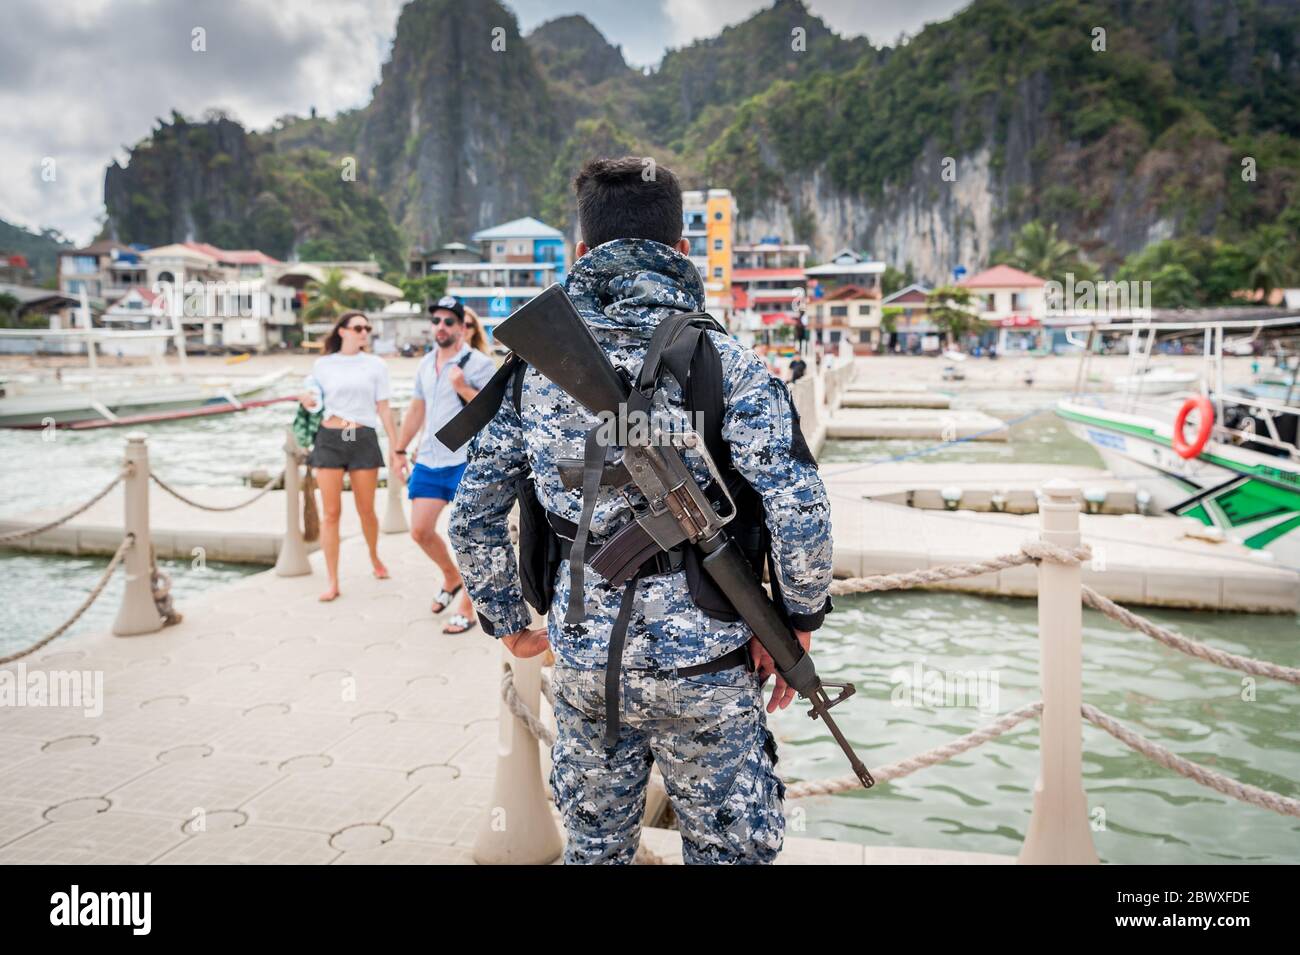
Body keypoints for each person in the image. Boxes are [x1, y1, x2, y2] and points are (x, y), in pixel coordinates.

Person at [448, 156, 833, 864]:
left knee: (594, 851)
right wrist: (796, 623)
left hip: (587, 661)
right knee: (731, 854)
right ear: (683, 251)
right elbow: (800, 505)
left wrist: (509, 623)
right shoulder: (732, 363)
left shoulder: (532, 375)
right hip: (713, 663)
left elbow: (471, 516)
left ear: (583, 252)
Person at [390, 295, 496, 633]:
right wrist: (400, 448)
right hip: (430, 459)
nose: (441, 326)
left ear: (463, 327)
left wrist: (463, 388)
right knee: (420, 530)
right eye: (436, 320)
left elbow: (494, 411)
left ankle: (467, 604)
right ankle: (450, 577)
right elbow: (416, 410)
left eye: (449, 321)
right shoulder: (425, 363)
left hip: (466, 460)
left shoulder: (478, 363)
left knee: (463, 535)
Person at [300, 311, 399, 602]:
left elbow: (383, 408)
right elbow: (313, 398)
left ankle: (374, 556)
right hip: (330, 437)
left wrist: (396, 447)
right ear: (342, 331)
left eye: (367, 328)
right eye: (358, 327)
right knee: (330, 514)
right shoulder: (323, 364)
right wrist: (305, 399)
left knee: (366, 510)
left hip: (362, 437)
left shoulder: (376, 365)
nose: (364, 332)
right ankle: (332, 581)